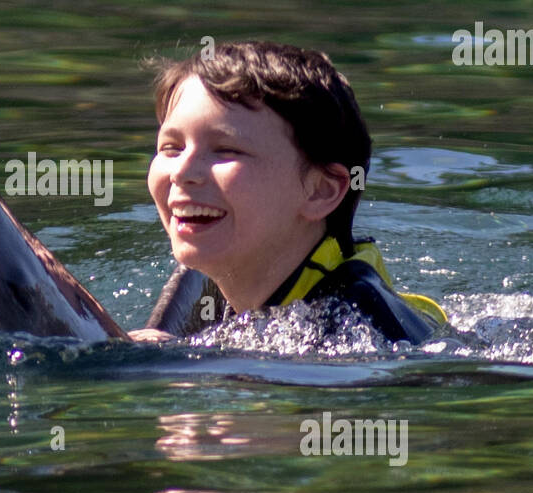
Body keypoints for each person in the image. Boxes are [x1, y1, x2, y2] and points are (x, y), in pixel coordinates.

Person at [127, 41, 446, 344]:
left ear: (320, 190)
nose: (182, 172)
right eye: (171, 148)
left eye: (225, 150)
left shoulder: (353, 323)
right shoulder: (216, 270)